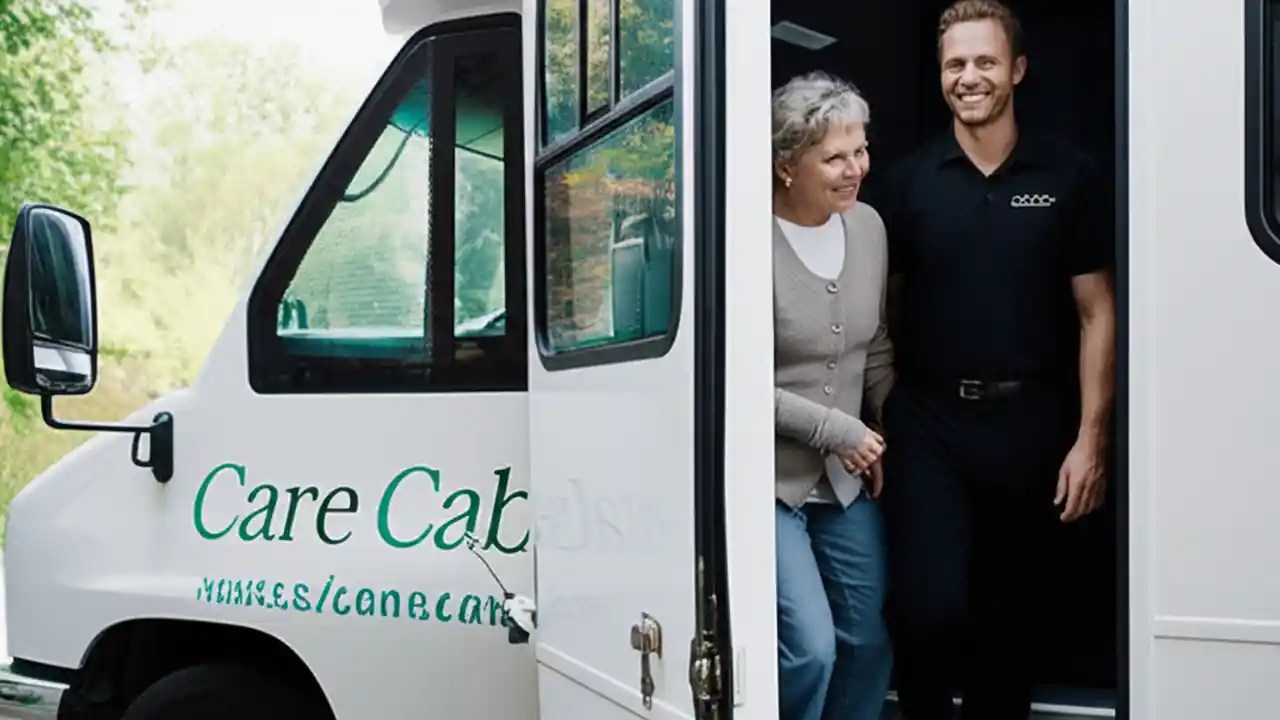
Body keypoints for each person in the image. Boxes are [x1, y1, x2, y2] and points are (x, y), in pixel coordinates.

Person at [873, 1, 1117, 718]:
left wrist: (1091, 440)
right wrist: (882, 415)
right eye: (955, 63)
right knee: (927, 607)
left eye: (984, 61)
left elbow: (1097, 313)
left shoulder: (1070, 175)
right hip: (929, 424)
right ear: (940, 75)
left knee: (1011, 625)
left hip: (1035, 425)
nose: (969, 76)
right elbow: (880, 314)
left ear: (1016, 69)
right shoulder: (907, 183)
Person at [771, 70, 896, 720]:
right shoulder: (745, 239)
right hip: (769, 486)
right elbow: (730, 383)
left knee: (868, 642)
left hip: (845, 484)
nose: (856, 169)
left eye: (861, 149)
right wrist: (840, 431)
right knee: (810, 650)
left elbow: (872, 347)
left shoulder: (868, 226)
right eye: (836, 157)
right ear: (787, 165)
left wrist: (891, 425)